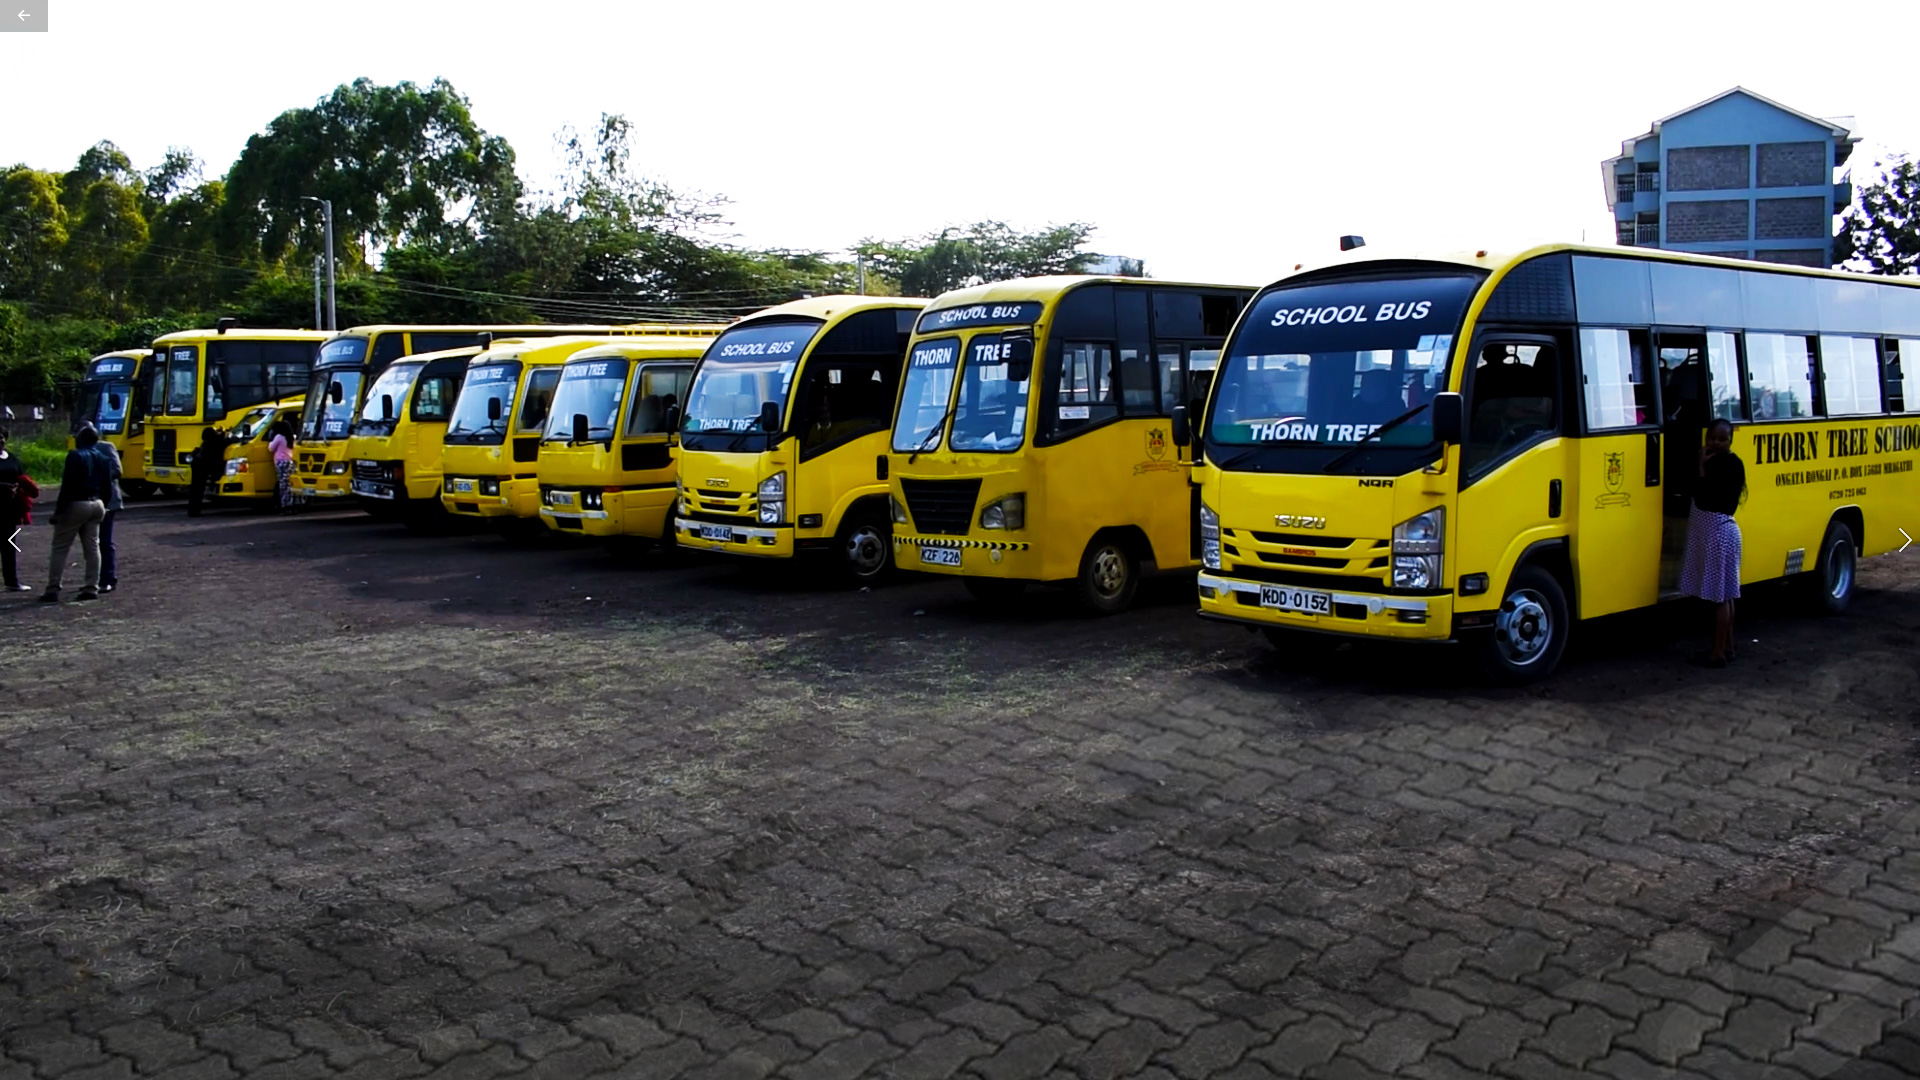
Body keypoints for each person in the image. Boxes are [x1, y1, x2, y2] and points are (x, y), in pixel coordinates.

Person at [1677, 417, 1746, 667]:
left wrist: (1701, 468)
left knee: (1719, 599)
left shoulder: (1725, 466)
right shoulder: (1727, 462)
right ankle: (1727, 647)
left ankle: (1717, 652)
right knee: (1726, 596)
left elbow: (1703, 494)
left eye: (1721, 439)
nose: (1715, 443)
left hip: (1718, 535)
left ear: (1730, 440)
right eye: (1711, 438)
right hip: (1721, 534)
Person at [42, 423, 111, 603]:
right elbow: (107, 486)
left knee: (60, 546)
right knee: (92, 547)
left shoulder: (75, 456)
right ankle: (91, 586)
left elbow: (68, 486)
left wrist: (59, 512)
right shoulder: (103, 458)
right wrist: (105, 504)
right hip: (97, 503)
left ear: (80, 439)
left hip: (77, 503)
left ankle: (53, 587)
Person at [0, 427, 39, 591]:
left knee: (9, 545)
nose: (0, 440)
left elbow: (21, 477)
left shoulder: (12, 458)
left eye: (2, 437)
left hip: (9, 508)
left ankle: (12, 581)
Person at [96, 437, 124, 592]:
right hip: (89, 501)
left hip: (108, 501)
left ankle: (108, 578)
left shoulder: (106, 447)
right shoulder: (78, 452)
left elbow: (117, 471)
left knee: (105, 542)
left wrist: (95, 477)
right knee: (92, 543)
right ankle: (94, 578)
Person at [188, 423, 227, 517]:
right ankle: (195, 511)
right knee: (199, 491)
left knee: (194, 490)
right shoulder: (216, 443)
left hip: (196, 467)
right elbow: (225, 442)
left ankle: (192, 511)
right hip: (203, 468)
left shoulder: (204, 444)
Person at [267, 419, 295, 513]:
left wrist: (270, 440)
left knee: (282, 485)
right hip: (289, 461)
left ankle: (284, 506)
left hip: (281, 462)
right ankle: (291, 504)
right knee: (288, 484)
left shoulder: (279, 437)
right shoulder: (291, 438)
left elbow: (271, 448)